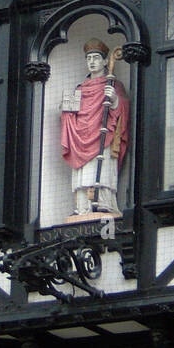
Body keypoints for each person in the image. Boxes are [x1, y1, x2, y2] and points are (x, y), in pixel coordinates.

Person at [60, 39, 129, 217]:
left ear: (105, 61)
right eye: (89, 58)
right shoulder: (79, 89)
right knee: (82, 173)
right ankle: (82, 207)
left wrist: (114, 100)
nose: (91, 61)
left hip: (103, 135)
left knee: (103, 168)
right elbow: (70, 114)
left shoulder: (113, 85)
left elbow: (123, 109)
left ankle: (104, 202)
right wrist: (66, 112)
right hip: (80, 137)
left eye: (96, 58)